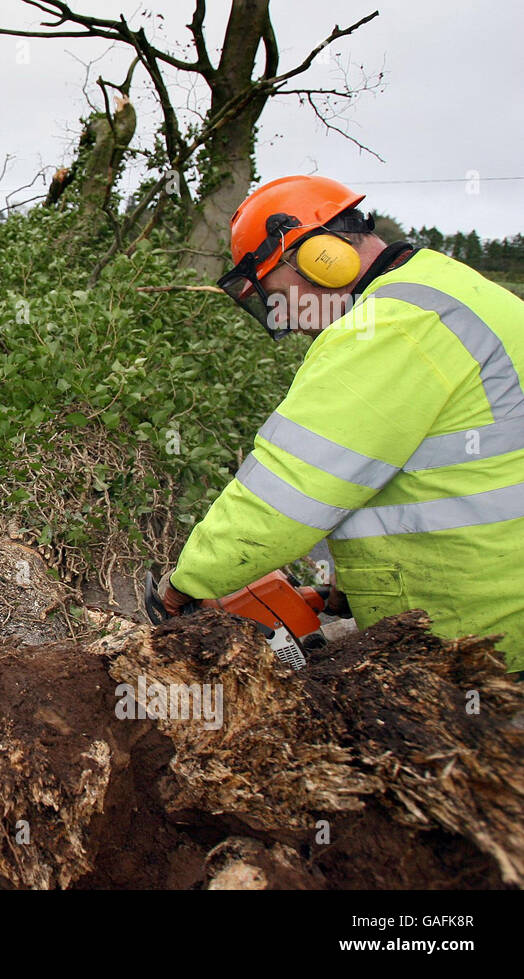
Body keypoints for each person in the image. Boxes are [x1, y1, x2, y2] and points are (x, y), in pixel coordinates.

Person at [158, 175, 524, 672]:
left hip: (482, 632)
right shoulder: (446, 289)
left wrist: (190, 582)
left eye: (274, 293)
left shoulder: (391, 326)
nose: (286, 318)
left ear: (320, 257)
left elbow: (292, 485)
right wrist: (348, 588)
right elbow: (450, 468)